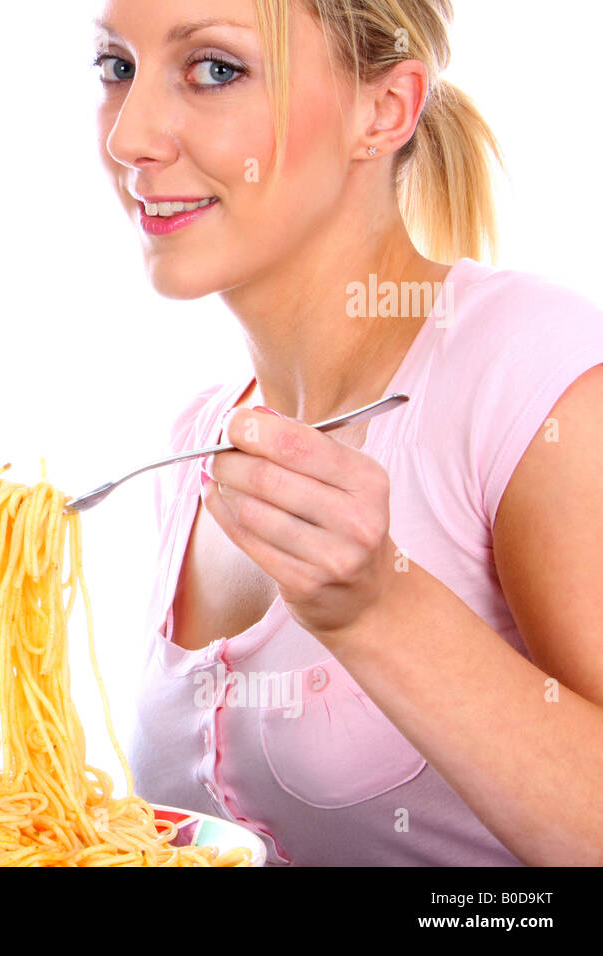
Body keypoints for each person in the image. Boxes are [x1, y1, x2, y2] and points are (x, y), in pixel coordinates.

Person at [92, 0, 603, 864]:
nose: (130, 137)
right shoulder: (196, 446)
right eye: (116, 68)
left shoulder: (533, 373)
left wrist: (379, 609)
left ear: (386, 109)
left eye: (215, 69)